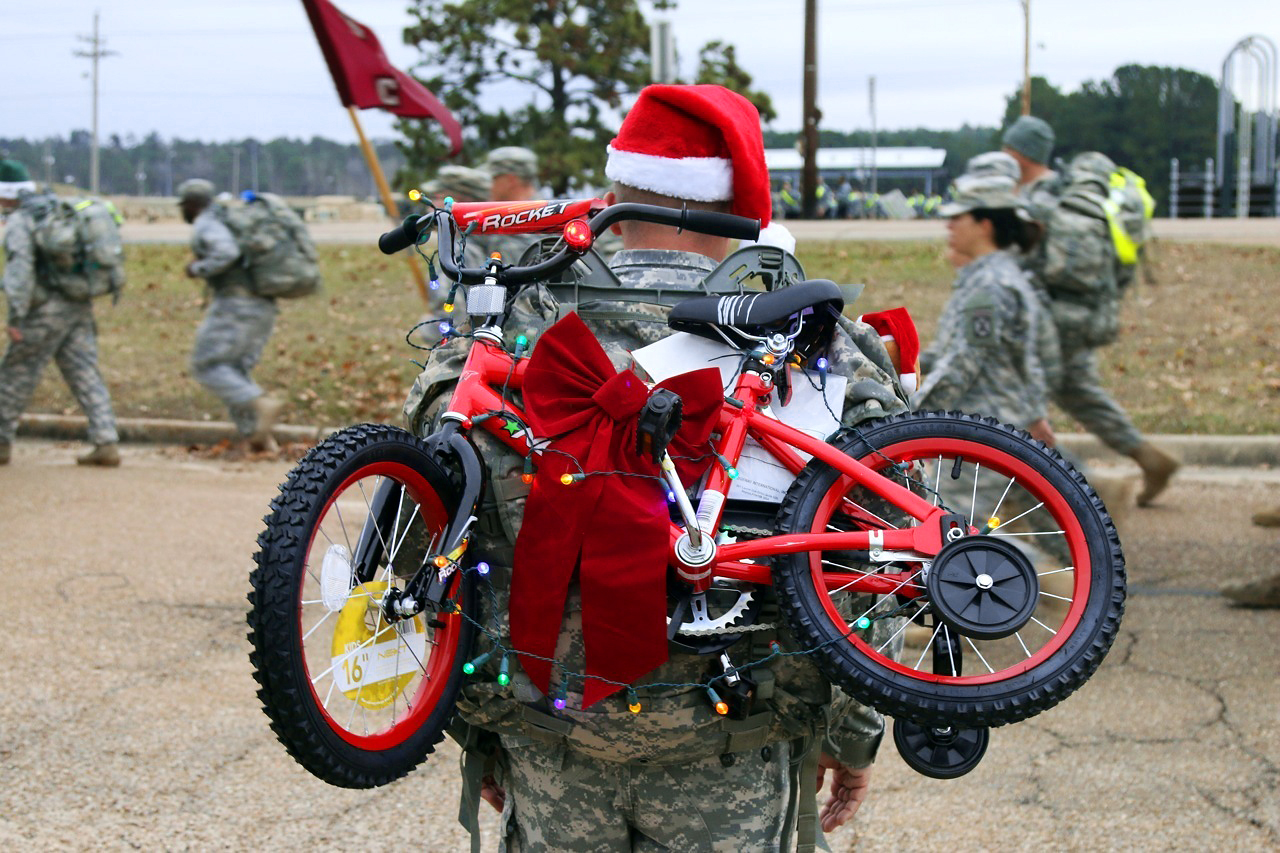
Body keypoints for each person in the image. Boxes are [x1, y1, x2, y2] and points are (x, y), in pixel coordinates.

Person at [406, 84, 909, 852]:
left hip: (547, 731)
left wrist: (465, 723)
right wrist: (850, 733)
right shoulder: (816, 352)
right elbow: (872, 572)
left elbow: (424, 551)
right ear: (745, 211)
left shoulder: (502, 336)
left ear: (611, 195)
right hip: (734, 740)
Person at [1003, 116, 1179, 507]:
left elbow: (1017, 267)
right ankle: (1150, 458)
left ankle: (1089, 495)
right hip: (1082, 316)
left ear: (1019, 153)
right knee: (1082, 395)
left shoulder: (1038, 200)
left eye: (1007, 150)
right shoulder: (1071, 193)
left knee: (1018, 412)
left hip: (1050, 323)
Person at [0, 159, 121, 466]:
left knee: (15, 374)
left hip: (44, 311)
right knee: (84, 372)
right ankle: (106, 440)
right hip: (77, 304)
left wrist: (15, 318)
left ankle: (1, 442)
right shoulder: (54, 209)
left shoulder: (21, 221)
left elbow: (20, 273)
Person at [178, 179, 280, 455]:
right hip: (262, 306)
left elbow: (227, 252)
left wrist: (198, 268)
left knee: (206, 365)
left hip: (236, 304)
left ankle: (261, 405)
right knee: (233, 371)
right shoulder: (229, 218)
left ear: (191, 204)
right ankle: (260, 440)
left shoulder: (207, 224)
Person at [479, 147, 542, 263]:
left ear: (510, 180)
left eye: (493, 179)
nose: (488, 186)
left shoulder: (544, 216)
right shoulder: (505, 214)